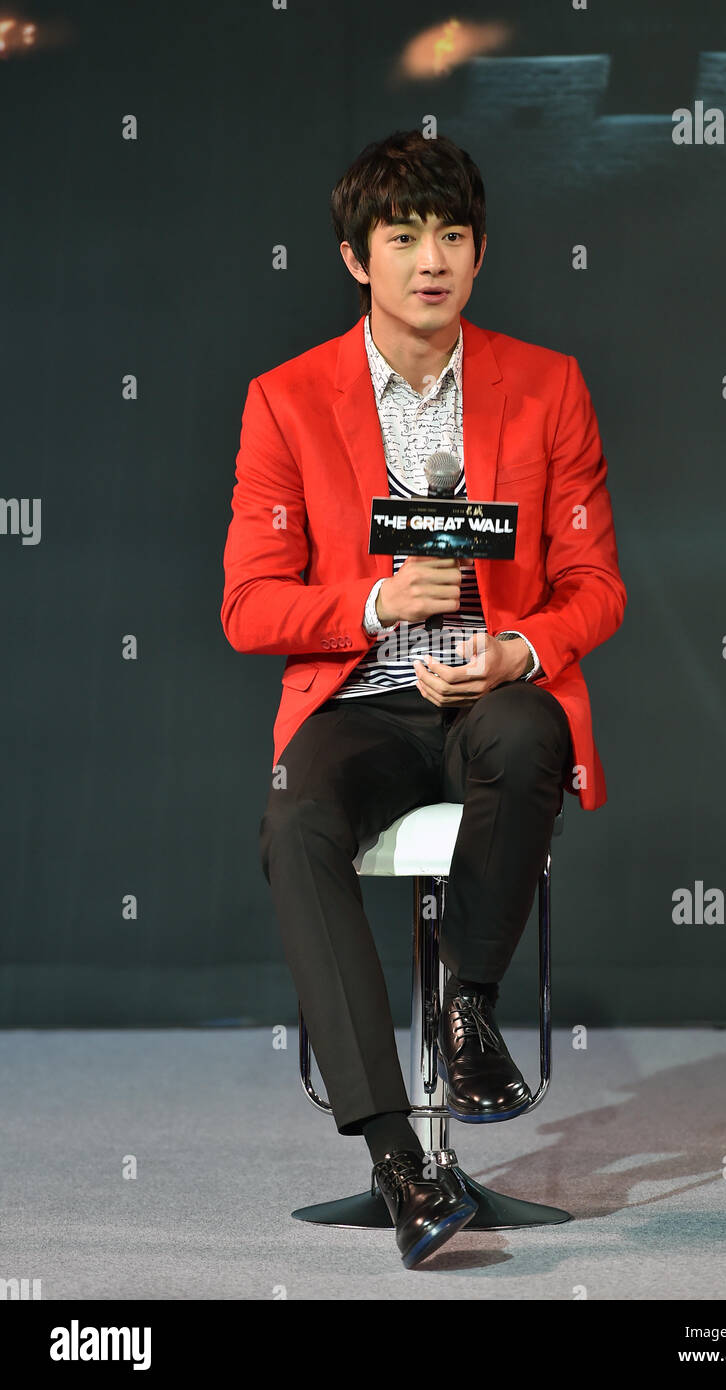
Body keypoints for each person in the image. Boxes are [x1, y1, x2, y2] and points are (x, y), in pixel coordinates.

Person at [220, 128, 626, 1269]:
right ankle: (401, 1157)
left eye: (451, 236)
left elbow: (598, 587)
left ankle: (467, 1007)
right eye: (402, 239)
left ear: (479, 252)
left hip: (485, 695)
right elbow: (249, 609)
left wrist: (516, 647)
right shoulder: (286, 400)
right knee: (295, 816)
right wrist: (372, 603)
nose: (429, 260)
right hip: (364, 701)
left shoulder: (545, 386)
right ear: (358, 258)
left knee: (527, 725)